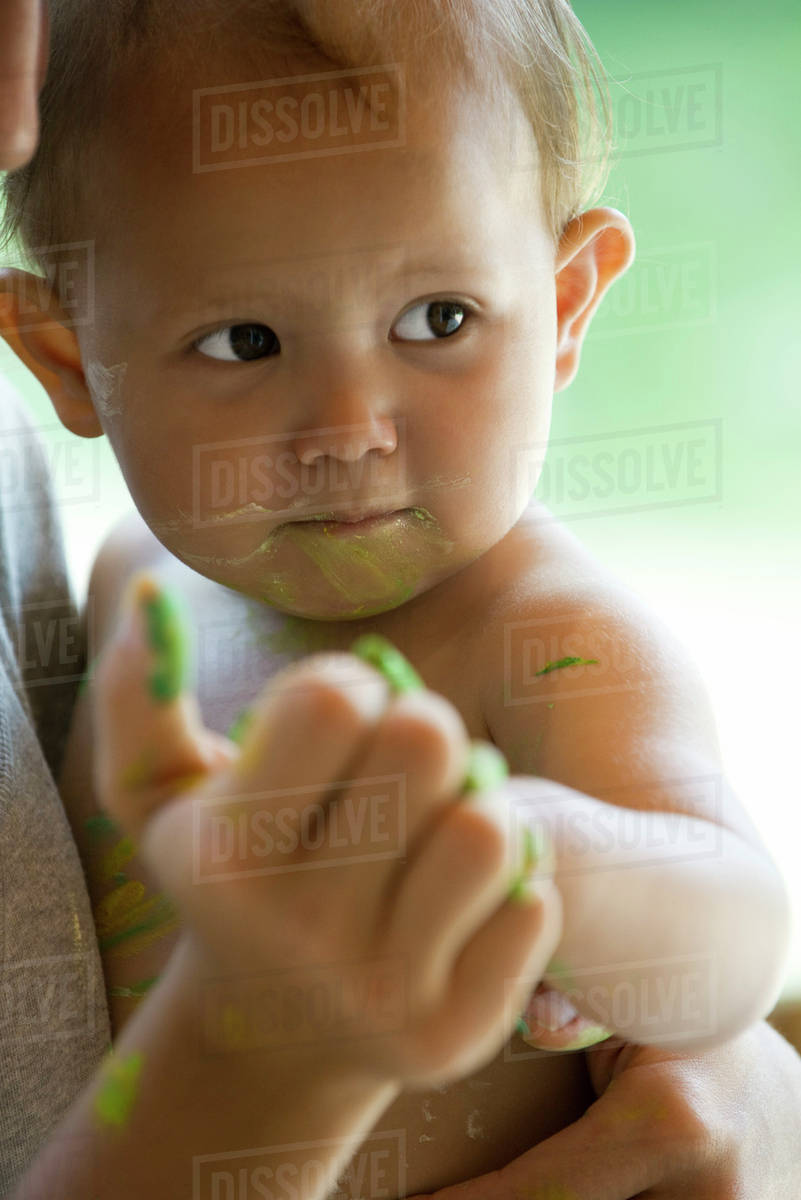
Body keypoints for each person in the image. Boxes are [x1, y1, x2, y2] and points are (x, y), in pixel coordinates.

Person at [1, 1, 801, 1197]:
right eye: (245, 340)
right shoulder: (135, 594)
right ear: (72, 359)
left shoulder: (544, 636)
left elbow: (734, 936)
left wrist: (529, 849)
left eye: (439, 320)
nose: (349, 431)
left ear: (569, 303)